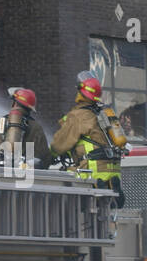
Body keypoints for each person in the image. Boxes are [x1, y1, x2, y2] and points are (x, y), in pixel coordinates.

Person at [52, 72, 125, 206]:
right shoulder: (106, 113)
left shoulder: (78, 116)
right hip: (113, 172)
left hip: (92, 174)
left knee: (64, 175)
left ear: (80, 92)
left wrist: (46, 158)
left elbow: (58, 145)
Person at [0, 87, 52, 168]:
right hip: (23, 175)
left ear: (15, 103)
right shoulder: (36, 127)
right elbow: (45, 157)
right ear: (30, 108)